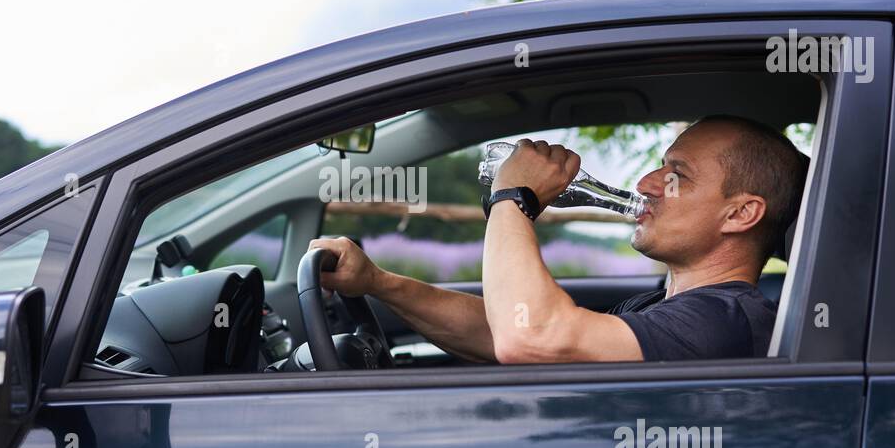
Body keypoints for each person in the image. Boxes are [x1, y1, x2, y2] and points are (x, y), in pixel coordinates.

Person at [308, 115, 809, 363]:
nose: (646, 184)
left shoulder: (723, 323)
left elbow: (531, 337)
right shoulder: (663, 308)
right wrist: (377, 281)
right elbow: (497, 330)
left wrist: (513, 198)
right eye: (659, 166)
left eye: (677, 175)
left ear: (741, 213)